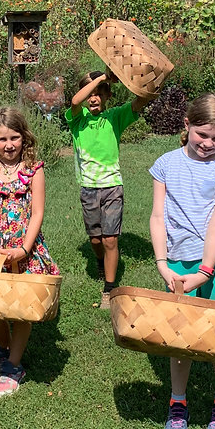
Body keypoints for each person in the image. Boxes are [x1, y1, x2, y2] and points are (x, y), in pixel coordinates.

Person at [150, 94, 215, 429]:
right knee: (180, 336)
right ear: (187, 125)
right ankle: (178, 401)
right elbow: (158, 216)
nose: (208, 143)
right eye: (202, 134)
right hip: (176, 262)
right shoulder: (164, 164)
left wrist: (205, 271)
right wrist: (162, 263)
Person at [0, 107, 59, 397]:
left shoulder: (33, 169)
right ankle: (4, 347)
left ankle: (13, 366)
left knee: (22, 308)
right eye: (2, 139)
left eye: (14, 137)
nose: (8, 145)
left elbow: (37, 212)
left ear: (24, 138)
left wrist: (24, 248)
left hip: (25, 247)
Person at [66, 70, 154, 307]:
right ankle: (100, 261)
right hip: (89, 188)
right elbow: (74, 101)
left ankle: (109, 289)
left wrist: (142, 82)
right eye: (90, 94)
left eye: (98, 94)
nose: (93, 98)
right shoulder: (78, 119)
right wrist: (101, 79)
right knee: (96, 241)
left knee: (110, 240)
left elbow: (140, 102)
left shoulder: (115, 117)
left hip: (112, 186)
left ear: (106, 96)